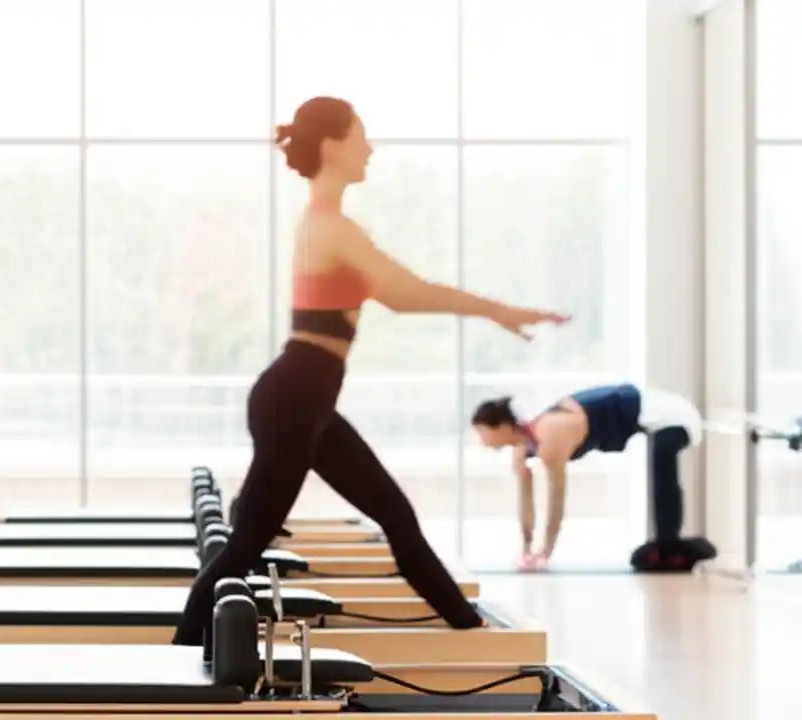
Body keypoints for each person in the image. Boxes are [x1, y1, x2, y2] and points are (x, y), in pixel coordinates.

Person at [170, 96, 569, 646]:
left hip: (307, 401)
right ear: (333, 145)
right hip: (295, 397)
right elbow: (407, 294)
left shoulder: (329, 224)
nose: (371, 148)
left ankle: (472, 633)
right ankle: (179, 664)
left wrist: (494, 311)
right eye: (362, 137)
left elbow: (405, 296)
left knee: (396, 516)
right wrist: (496, 309)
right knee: (245, 546)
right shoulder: (330, 226)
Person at [470, 383, 705, 569]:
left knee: (662, 476)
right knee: (660, 466)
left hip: (671, 414)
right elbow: (526, 499)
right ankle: (667, 548)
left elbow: (557, 498)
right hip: (648, 417)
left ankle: (668, 549)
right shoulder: (524, 445)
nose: (482, 442)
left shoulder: (549, 434)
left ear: (501, 426)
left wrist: (546, 551)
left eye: (482, 432)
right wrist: (526, 550)